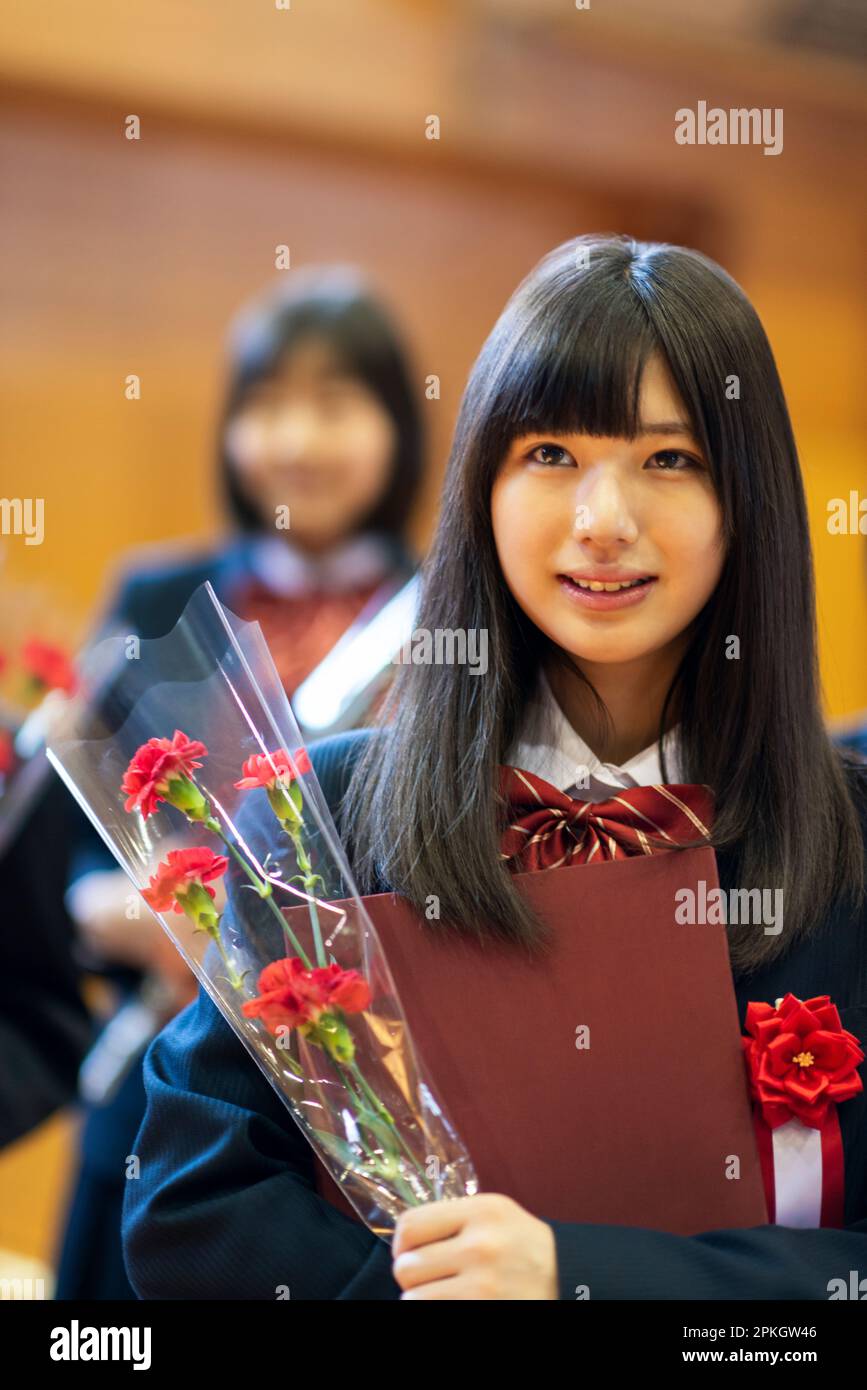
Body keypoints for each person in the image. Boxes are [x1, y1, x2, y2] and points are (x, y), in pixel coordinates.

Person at [122, 234, 867, 1300]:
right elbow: (186, 1209)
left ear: (750, 500)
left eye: (670, 459)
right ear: (482, 484)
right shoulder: (321, 818)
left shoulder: (852, 851)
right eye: (551, 455)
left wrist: (580, 1278)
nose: (602, 522)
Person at [54, 266, 424, 1299]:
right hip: (166, 1068)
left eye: (336, 401)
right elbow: (77, 855)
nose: (297, 439)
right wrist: (139, 912)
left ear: (397, 424)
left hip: (371, 1096)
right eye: (268, 403)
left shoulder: (448, 609)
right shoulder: (158, 595)